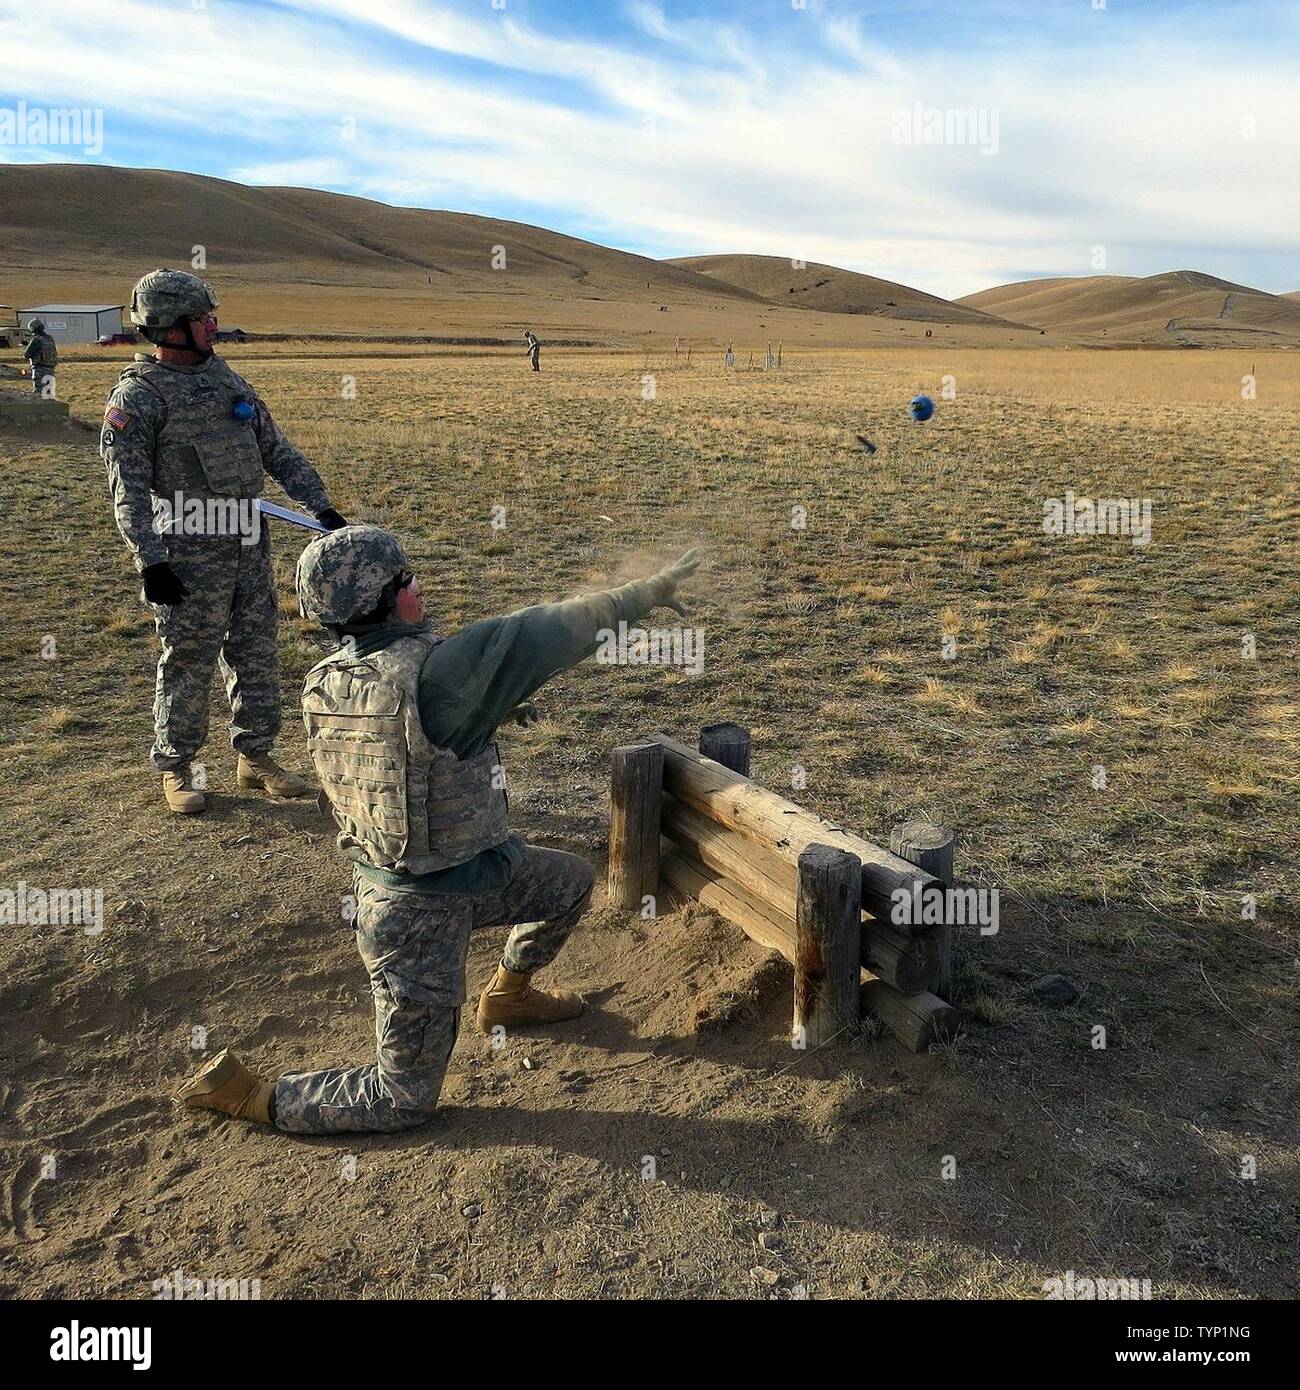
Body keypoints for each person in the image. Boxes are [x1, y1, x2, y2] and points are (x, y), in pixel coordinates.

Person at [177, 526, 700, 1134]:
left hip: (470, 872)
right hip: (413, 915)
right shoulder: (440, 673)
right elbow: (546, 632)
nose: (417, 587)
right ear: (380, 599)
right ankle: (256, 1096)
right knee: (402, 1097)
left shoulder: (332, 678)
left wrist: (494, 707)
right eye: (405, 580)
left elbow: (412, 742)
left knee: (569, 883)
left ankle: (511, 993)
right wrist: (646, 592)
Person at [100, 268, 348, 814]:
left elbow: (276, 451)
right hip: (187, 551)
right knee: (189, 658)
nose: (213, 325)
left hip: (246, 540)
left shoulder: (229, 381)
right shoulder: (139, 399)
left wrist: (321, 506)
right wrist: (150, 561)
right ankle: (177, 766)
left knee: (256, 651)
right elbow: (130, 491)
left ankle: (255, 756)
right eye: (200, 317)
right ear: (168, 326)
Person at [23, 319, 57, 396]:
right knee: (49, 393)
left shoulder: (36, 340)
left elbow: (27, 354)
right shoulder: (49, 338)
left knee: (39, 393)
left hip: (40, 369)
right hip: (51, 369)